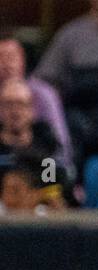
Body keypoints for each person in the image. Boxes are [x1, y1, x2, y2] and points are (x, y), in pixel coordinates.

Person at [0, 32, 71, 170]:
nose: (6, 64)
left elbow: (61, 148)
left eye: (11, 57)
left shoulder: (44, 94)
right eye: (1, 58)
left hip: (37, 170)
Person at [0, 78, 61, 162]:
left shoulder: (48, 147)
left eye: (21, 104)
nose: (15, 111)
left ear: (32, 110)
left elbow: (52, 174)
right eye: (8, 104)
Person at [0, 150, 64, 214]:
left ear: (34, 194)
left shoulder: (43, 214)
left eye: (15, 192)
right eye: (4, 190)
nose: (8, 199)